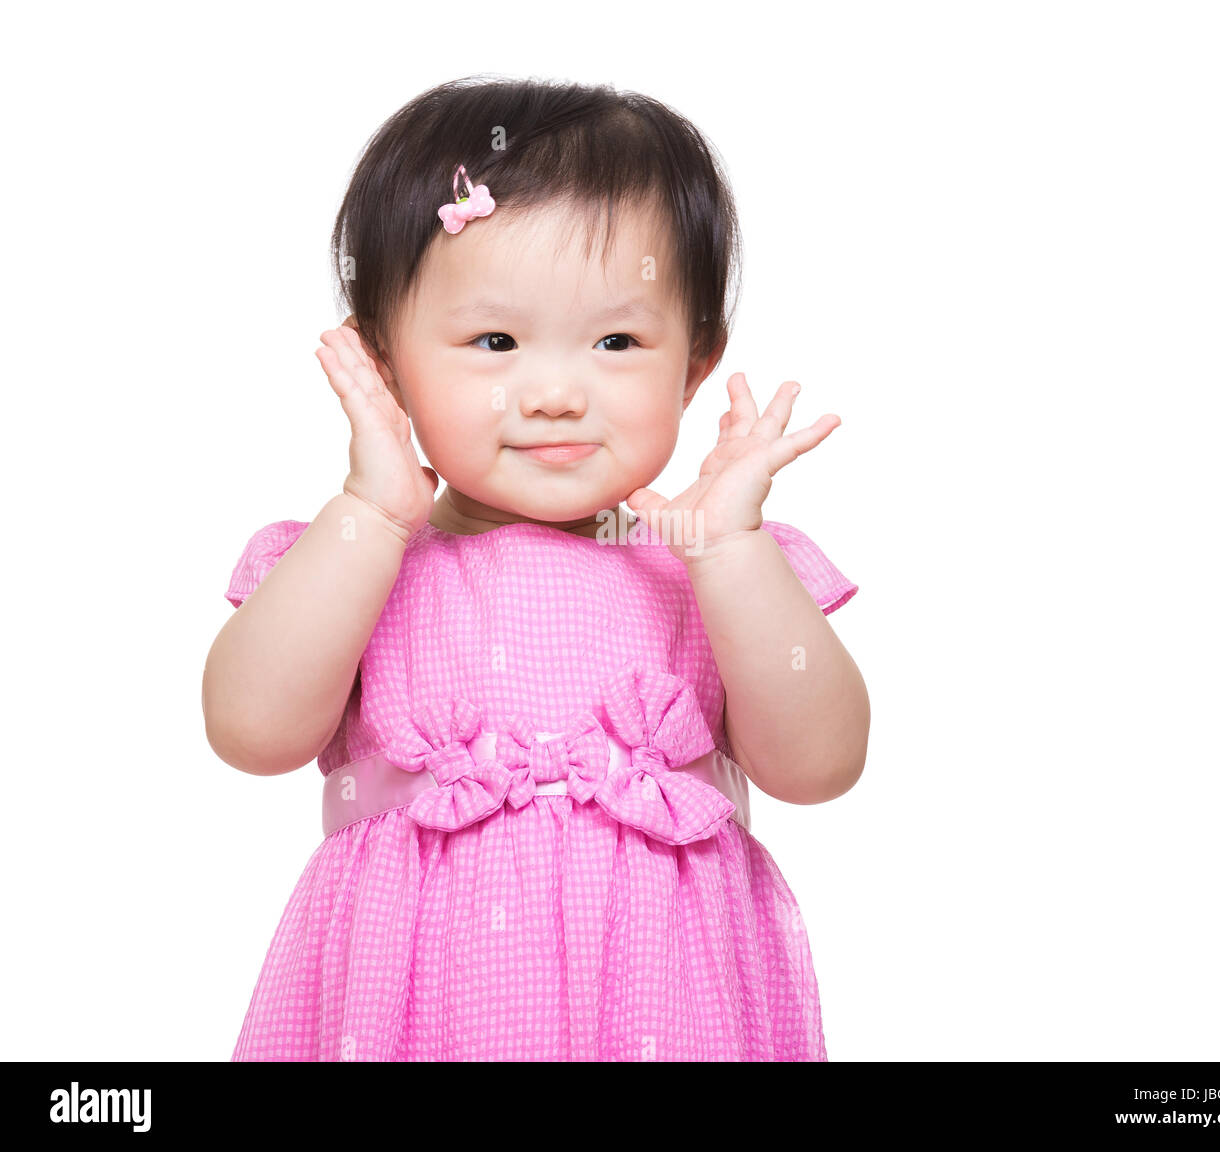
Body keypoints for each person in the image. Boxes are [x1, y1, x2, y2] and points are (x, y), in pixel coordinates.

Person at [203, 75, 870, 1061]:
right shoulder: (353, 562)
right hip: (419, 1013)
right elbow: (250, 732)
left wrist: (729, 550)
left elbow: (819, 768)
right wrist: (371, 512)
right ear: (384, 364)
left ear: (692, 364)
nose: (555, 392)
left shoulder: (710, 572)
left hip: (666, 1012)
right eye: (495, 341)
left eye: (616, 341)